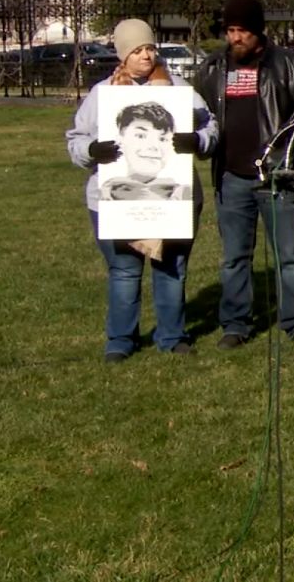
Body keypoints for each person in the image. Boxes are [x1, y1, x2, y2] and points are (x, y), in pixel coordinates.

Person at [66, 19, 218, 361]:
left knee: (171, 268)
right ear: (123, 56)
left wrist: (198, 140)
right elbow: (75, 139)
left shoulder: (179, 90)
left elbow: (211, 126)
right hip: (111, 201)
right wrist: (93, 151)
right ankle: (120, 341)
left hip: (174, 199)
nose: (146, 56)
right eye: (137, 50)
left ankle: (172, 336)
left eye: (150, 48)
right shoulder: (102, 94)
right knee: (124, 271)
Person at [195, 0, 294, 351]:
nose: (236, 38)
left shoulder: (289, 65)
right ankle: (235, 323)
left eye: (243, 31)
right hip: (231, 177)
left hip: (277, 177)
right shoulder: (212, 69)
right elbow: (200, 116)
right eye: (231, 30)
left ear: (258, 32)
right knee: (235, 257)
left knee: (290, 255)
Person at [100, 102, 189, 201]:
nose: (154, 146)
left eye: (162, 139)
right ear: (120, 140)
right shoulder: (103, 194)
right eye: (141, 136)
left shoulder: (184, 195)